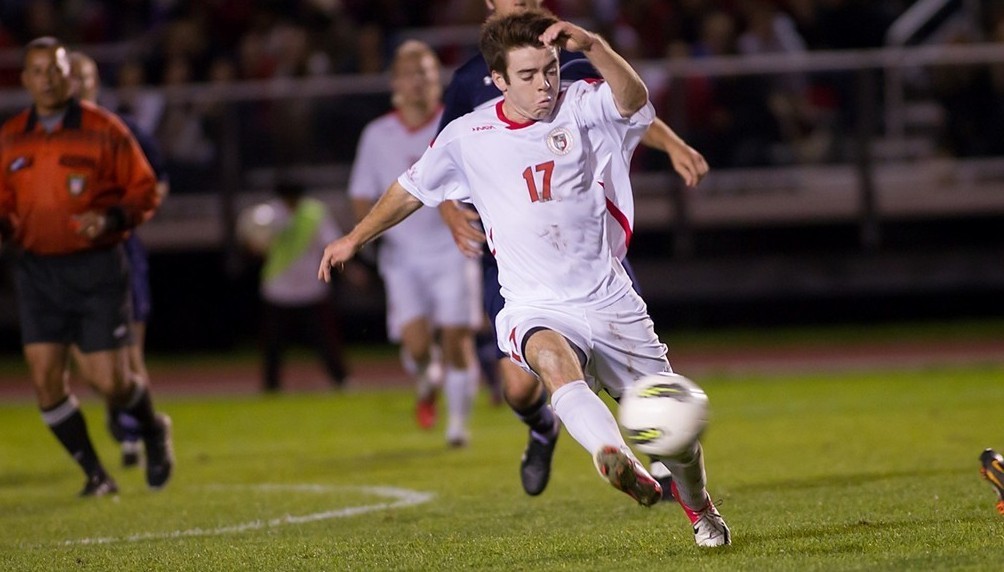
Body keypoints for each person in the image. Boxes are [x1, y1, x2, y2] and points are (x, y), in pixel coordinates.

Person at [320, 10, 730, 547]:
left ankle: (701, 509)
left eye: (551, 69)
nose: (545, 84)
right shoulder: (469, 134)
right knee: (553, 364)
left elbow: (632, 102)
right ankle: (616, 457)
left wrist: (596, 45)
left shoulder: (582, 104)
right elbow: (409, 188)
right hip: (535, 303)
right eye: (530, 75)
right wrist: (355, 237)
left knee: (678, 443)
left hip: (609, 297)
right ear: (498, 81)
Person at [434, 0, 709, 499]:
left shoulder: (568, 64)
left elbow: (623, 110)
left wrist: (671, 144)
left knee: (628, 371)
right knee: (518, 388)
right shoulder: (468, 81)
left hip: (588, 248)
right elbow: (440, 159)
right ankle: (543, 430)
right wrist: (449, 210)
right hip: (517, 261)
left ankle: (655, 460)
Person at [0, 37, 173, 497]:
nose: (48, 79)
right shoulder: (12, 135)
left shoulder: (105, 129)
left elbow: (146, 190)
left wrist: (112, 217)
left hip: (95, 268)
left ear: (69, 76)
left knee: (109, 382)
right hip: (37, 271)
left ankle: (153, 428)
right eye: (38, 71)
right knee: (44, 381)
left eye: (56, 69)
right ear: (25, 79)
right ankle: (97, 475)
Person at [347, 40, 480, 447]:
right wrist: (366, 242)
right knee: (418, 346)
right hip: (402, 256)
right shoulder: (377, 134)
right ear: (395, 82)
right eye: (410, 73)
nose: (419, 81)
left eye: (426, 71)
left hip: (454, 247)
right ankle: (426, 377)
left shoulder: (458, 124)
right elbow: (361, 193)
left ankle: (457, 426)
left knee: (457, 337)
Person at [67, 50, 171, 469]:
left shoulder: (121, 130)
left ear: (95, 81)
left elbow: (156, 185)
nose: (75, 83)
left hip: (117, 252)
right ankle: (118, 407)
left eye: (83, 75)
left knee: (130, 355)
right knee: (89, 367)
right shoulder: (40, 136)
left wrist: (116, 215)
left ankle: (139, 437)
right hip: (62, 260)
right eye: (68, 75)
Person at [249, 180, 350, 392]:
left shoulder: (314, 212)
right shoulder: (268, 215)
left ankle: (341, 380)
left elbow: (331, 243)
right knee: (273, 343)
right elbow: (255, 244)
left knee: (325, 340)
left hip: (311, 287)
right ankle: (271, 385)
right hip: (278, 288)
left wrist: (348, 269)